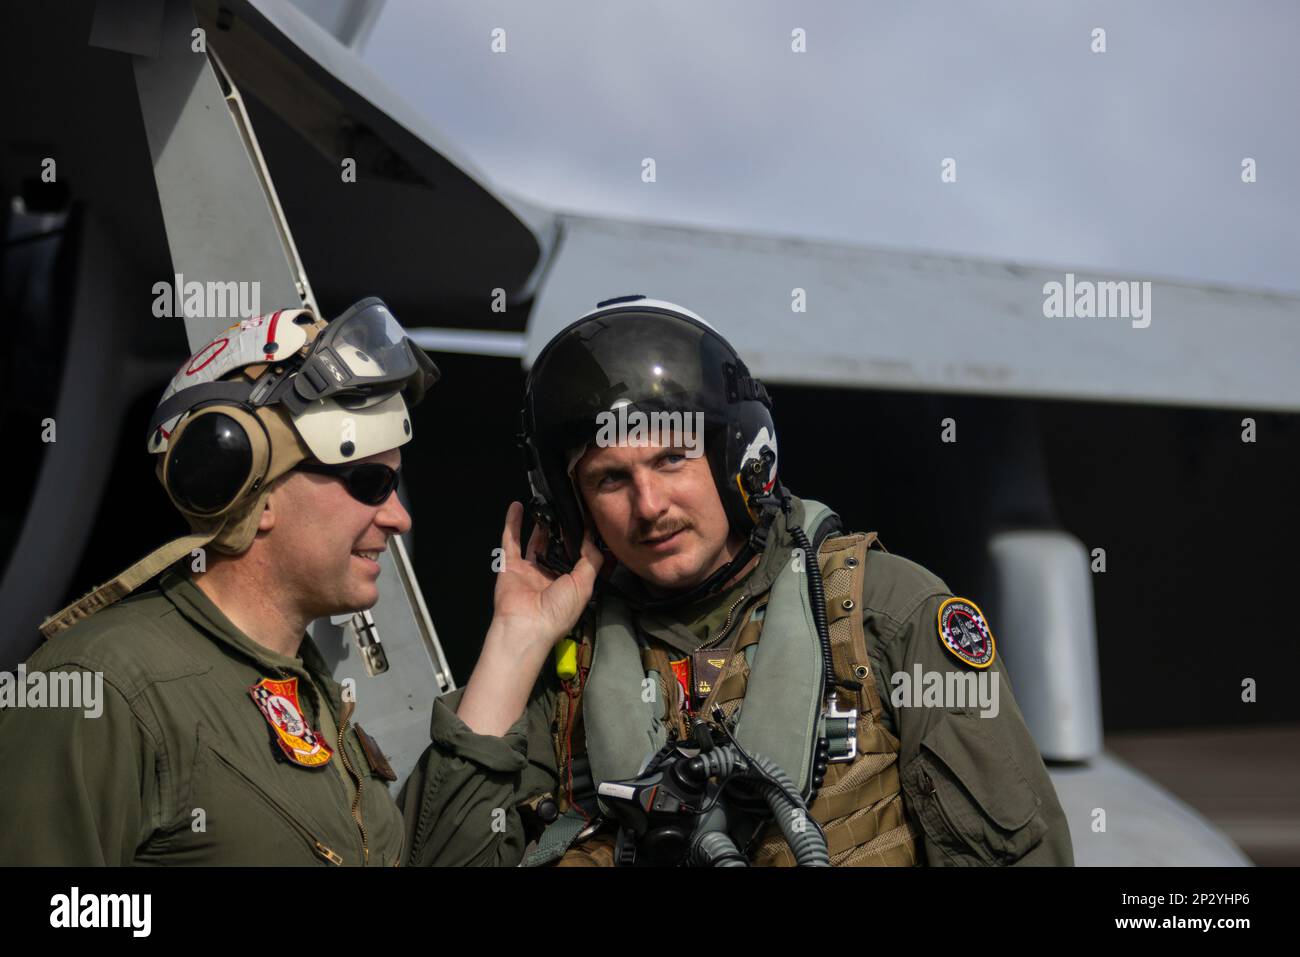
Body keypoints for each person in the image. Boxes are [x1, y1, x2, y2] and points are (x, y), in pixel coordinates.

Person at [405, 295, 1074, 867]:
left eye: (672, 459)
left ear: (737, 458)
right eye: (611, 478)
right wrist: (515, 641)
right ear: (574, 504)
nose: (649, 505)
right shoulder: (561, 664)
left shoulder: (886, 616)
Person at [0, 298, 462, 865]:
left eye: (394, 483)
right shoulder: (101, 690)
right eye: (368, 482)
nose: (398, 516)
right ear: (250, 485)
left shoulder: (304, 689)